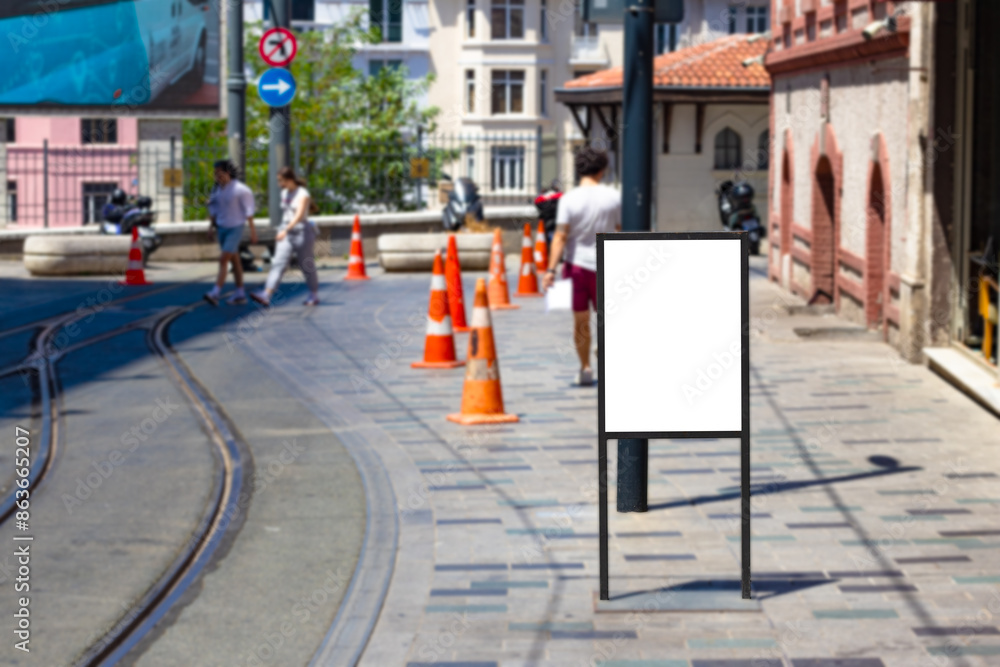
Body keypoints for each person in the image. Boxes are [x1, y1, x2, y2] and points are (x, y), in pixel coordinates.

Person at [541, 147, 620, 386]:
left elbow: (560, 237)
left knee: (580, 321)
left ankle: (585, 368)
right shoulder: (615, 197)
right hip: (607, 264)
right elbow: (620, 231)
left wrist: (550, 270)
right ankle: (605, 354)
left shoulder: (568, 199)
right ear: (603, 170)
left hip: (576, 267)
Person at [251, 167, 320, 307]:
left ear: (289, 180)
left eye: (280, 181)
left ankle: (313, 294)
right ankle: (267, 294)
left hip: (302, 232)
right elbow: (287, 214)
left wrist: (286, 230)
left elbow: (299, 215)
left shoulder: (303, 194)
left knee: (306, 264)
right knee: (278, 263)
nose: (279, 184)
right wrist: (282, 229)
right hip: (287, 232)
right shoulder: (284, 193)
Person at [204, 159, 257, 306]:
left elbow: (249, 212)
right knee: (235, 261)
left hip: (236, 227)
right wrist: (210, 228)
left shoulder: (241, 190)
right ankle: (240, 293)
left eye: (219, 172)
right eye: (215, 173)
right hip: (222, 227)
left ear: (228, 173)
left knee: (223, 259)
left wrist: (253, 231)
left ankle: (215, 292)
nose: (217, 176)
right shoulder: (216, 190)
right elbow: (213, 211)